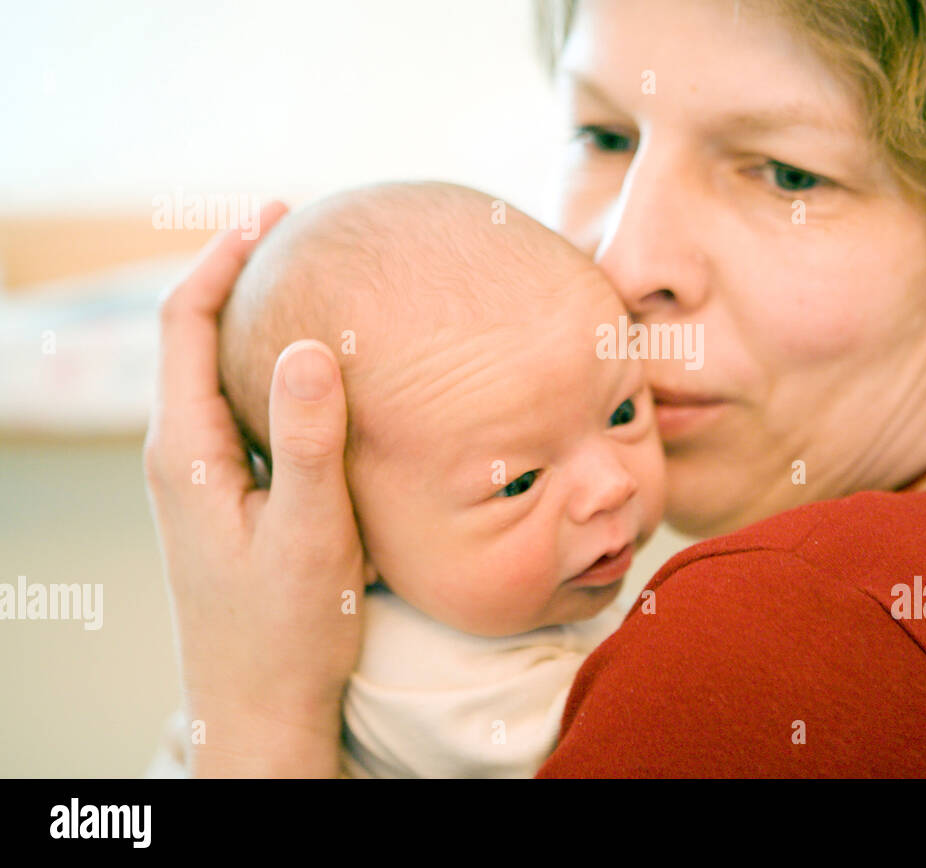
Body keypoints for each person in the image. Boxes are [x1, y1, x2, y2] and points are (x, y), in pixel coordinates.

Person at [144, 0, 926, 776]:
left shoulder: (772, 639)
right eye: (603, 131)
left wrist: (255, 712)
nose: (624, 256)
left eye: (787, 172)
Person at [151, 181, 665, 777]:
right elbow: (649, 744)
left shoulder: (494, 603)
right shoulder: (427, 685)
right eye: (518, 483)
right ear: (343, 529)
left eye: (622, 414)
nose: (612, 484)